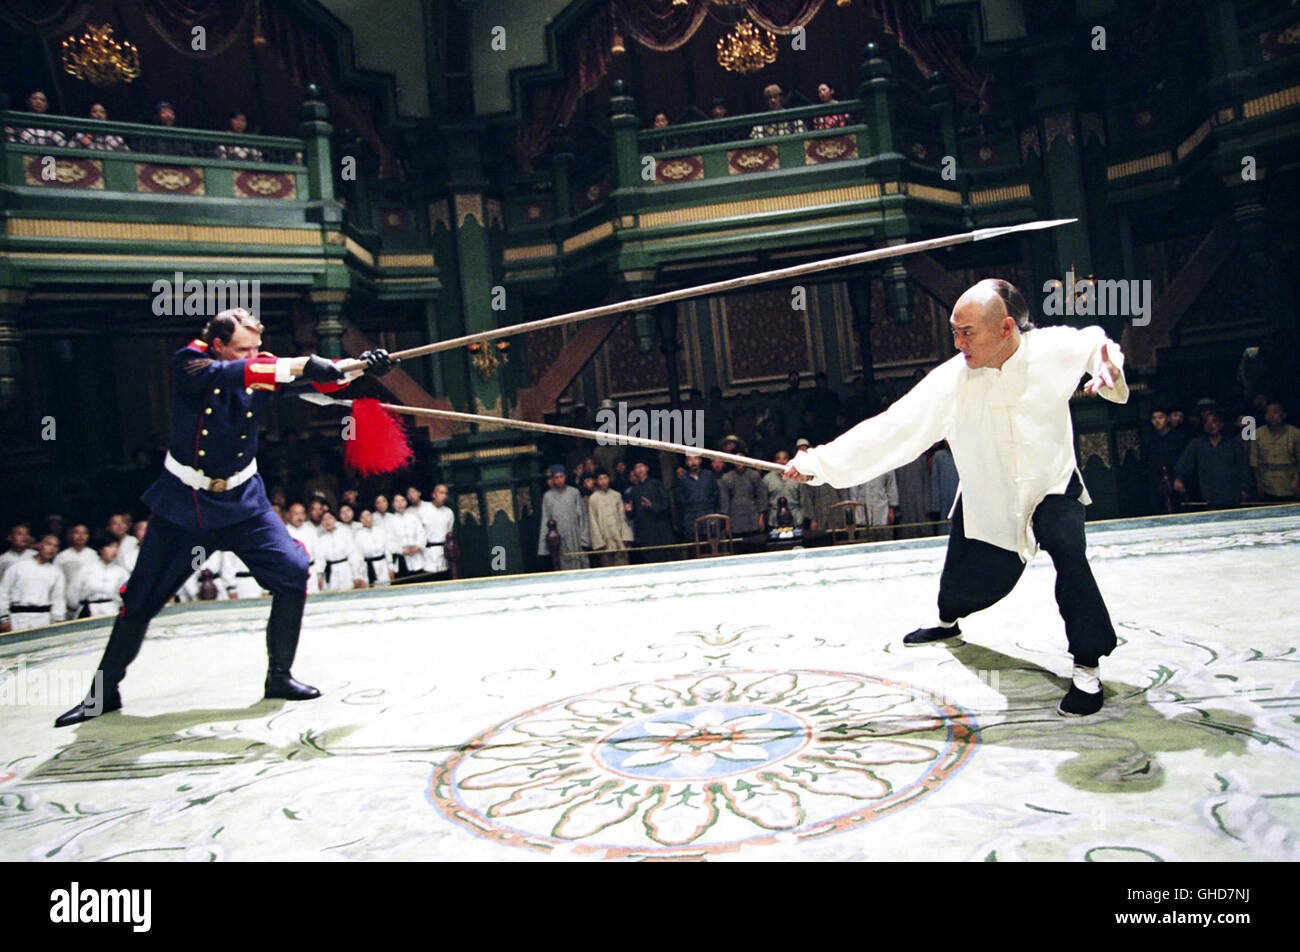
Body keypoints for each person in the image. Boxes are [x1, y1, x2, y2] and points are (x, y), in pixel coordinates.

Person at [785, 279, 1129, 717]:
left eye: (968, 332)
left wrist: (1108, 369)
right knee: (970, 574)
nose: (958, 342)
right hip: (990, 495)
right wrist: (818, 463)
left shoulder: (1053, 349)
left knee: (1068, 550)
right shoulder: (951, 381)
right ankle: (948, 621)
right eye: (954, 331)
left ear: (1006, 327)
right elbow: (891, 430)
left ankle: (1087, 664)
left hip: (1052, 486)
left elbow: (1097, 344)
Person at [53, 307, 395, 727]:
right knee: (140, 600)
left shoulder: (259, 367)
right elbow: (245, 374)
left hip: (243, 504)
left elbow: (313, 380)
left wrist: (359, 368)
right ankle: (102, 694)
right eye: (242, 349)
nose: (252, 355)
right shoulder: (190, 365)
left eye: (255, 348)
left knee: (292, 570)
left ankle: (279, 676)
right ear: (217, 346)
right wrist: (301, 363)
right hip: (185, 507)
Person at [1173, 410, 1250, 509]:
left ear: (1221, 424)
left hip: (1231, 494)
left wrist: (1245, 489)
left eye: (1214, 421)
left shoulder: (1233, 444)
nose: (1210, 425)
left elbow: (1243, 468)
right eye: (1206, 422)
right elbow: (1183, 463)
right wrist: (1178, 478)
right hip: (1207, 495)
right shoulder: (1197, 444)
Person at [0, 534, 65, 631]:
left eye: (55, 546)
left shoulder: (56, 573)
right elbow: (3, 592)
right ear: (39, 545)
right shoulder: (17, 567)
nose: (51, 549)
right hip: (18, 618)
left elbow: (58, 599)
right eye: (48, 544)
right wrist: (4, 618)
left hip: (43, 619)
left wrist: (57, 621)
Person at [538, 464, 590, 569]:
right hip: (558, 538)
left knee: (579, 563)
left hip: (574, 535)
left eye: (561, 476)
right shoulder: (548, 497)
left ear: (565, 477)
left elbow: (582, 518)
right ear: (552, 479)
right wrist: (544, 547)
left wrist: (584, 539)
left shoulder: (574, 493)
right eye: (556, 477)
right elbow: (545, 520)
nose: (559, 480)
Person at [68, 534, 130, 618]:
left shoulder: (121, 572)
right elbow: (73, 594)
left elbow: (127, 594)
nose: (114, 550)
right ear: (101, 549)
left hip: (111, 610)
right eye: (110, 547)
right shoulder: (86, 570)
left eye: (116, 547)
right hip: (88, 611)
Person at [1250, 401, 1300, 501]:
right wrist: (1258, 484)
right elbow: (1254, 462)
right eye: (1268, 413)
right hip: (1267, 487)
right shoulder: (1258, 434)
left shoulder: (1295, 433)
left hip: (1291, 487)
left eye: (1275, 412)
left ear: (1283, 414)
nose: (1271, 416)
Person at [1142, 407, 1188, 513]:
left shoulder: (1178, 437)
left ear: (1167, 419)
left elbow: (1183, 460)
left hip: (1175, 478)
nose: (1157, 421)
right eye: (1154, 418)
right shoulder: (1150, 439)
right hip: (1156, 481)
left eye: (1160, 418)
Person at [626, 461, 674, 561]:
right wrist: (629, 511)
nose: (639, 469)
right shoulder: (633, 491)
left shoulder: (657, 484)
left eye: (641, 466)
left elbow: (666, 504)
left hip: (661, 529)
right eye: (636, 468)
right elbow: (633, 516)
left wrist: (652, 506)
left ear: (647, 468)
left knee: (667, 557)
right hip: (645, 533)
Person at [588, 470, 633, 566]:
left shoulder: (616, 495)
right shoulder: (593, 498)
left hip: (619, 538)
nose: (603, 481)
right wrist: (599, 542)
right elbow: (593, 522)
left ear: (609, 479)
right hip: (604, 540)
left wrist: (625, 536)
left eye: (605, 478)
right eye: (600, 479)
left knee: (623, 566)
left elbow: (623, 517)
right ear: (596, 481)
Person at [314, 511, 363, 590]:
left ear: (334, 519)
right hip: (331, 572)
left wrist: (356, 575)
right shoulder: (321, 540)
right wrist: (319, 576)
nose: (327, 522)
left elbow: (353, 555)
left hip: (346, 569)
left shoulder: (344, 534)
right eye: (324, 519)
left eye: (329, 518)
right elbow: (320, 559)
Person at [719, 457, 768, 535]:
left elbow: (761, 498)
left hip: (753, 515)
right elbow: (724, 502)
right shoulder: (726, 477)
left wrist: (761, 518)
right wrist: (726, 523)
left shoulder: (754, 475)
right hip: (734, 517)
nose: (739, 462)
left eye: (741, 458)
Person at [419, 484, 455, 579]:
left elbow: (449, 532)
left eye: (446, 494)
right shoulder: (423, 511)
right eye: (441, 493)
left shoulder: (449, 512)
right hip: (427, 552)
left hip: (444, 552)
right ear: (434, 495)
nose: (444, 496)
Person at [763, 451, 804, 529]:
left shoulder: (798, 477)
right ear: (774, 461)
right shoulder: (767, 479)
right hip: (774, 520)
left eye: (784, 459)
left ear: (789, 461)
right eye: (778, 459)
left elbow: (803, 500)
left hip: (796, 518)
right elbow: (764, 502)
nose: (781, 462)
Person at [352, 509, 393, 586]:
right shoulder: (358, 536)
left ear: (372, 516)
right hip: (369, 566)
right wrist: (359, 576)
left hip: (383, 564)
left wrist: (391, 568)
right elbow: (357, 557)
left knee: (387, 587)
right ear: (360, 520)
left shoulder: (380, 531)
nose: (366, 519)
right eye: (362, 517)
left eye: (368, 515)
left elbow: (387, 550)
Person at [54, 523, 98, 592]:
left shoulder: (94, 555)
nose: (81, 536)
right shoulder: (62, 556)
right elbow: (56, 578)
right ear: (71, 535)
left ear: (88, 536)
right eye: (77, 533)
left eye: (84, 533)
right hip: (68, 594)